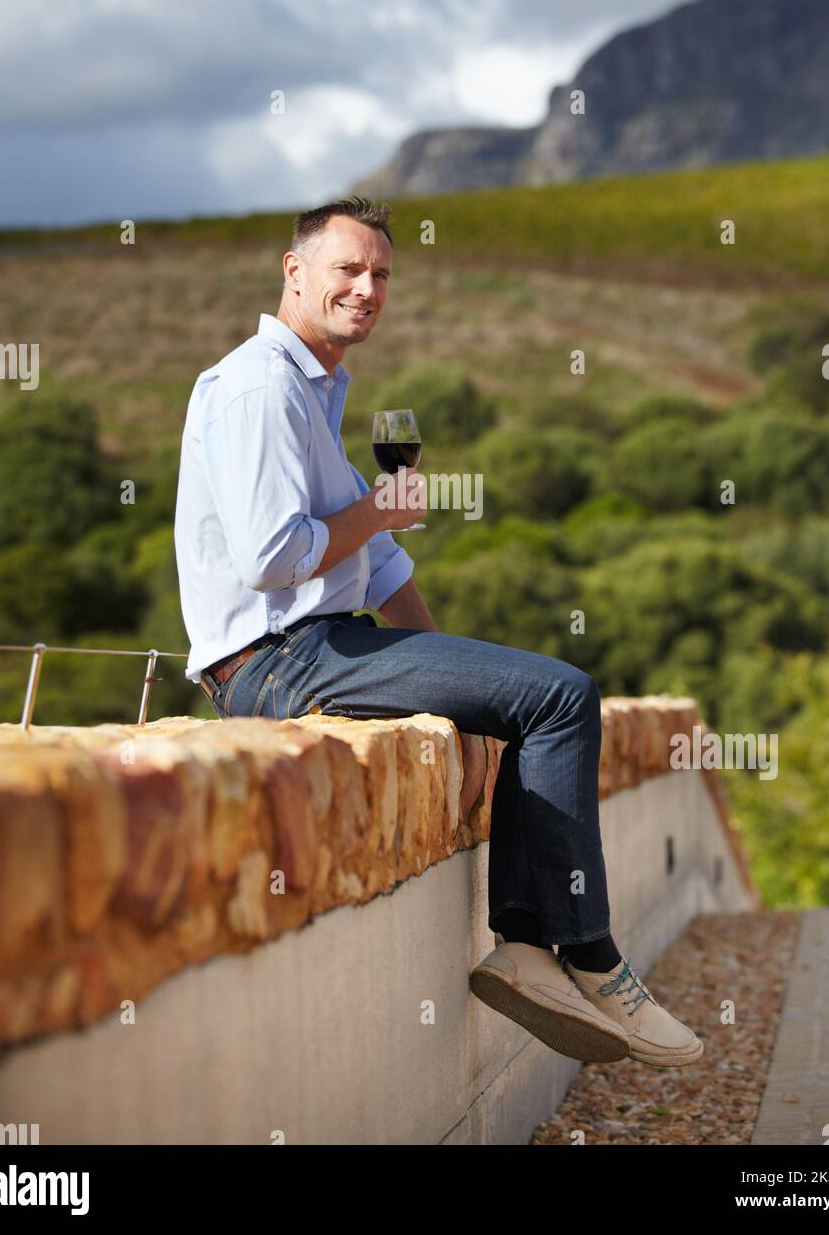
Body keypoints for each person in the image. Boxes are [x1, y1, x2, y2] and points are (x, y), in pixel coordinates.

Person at [173, 196, 702, 1068]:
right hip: (277, 662)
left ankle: (533, 952)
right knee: (564, 695)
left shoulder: (314, 393)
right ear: (294, 272)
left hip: (314, 649)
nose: (368, 288)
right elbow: (275, 556)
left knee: (535, 699)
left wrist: (467, 684)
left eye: (382, 274)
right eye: (348, 269)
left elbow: (380, 569)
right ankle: (590, 961)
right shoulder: (259, 385)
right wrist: (380, 508)